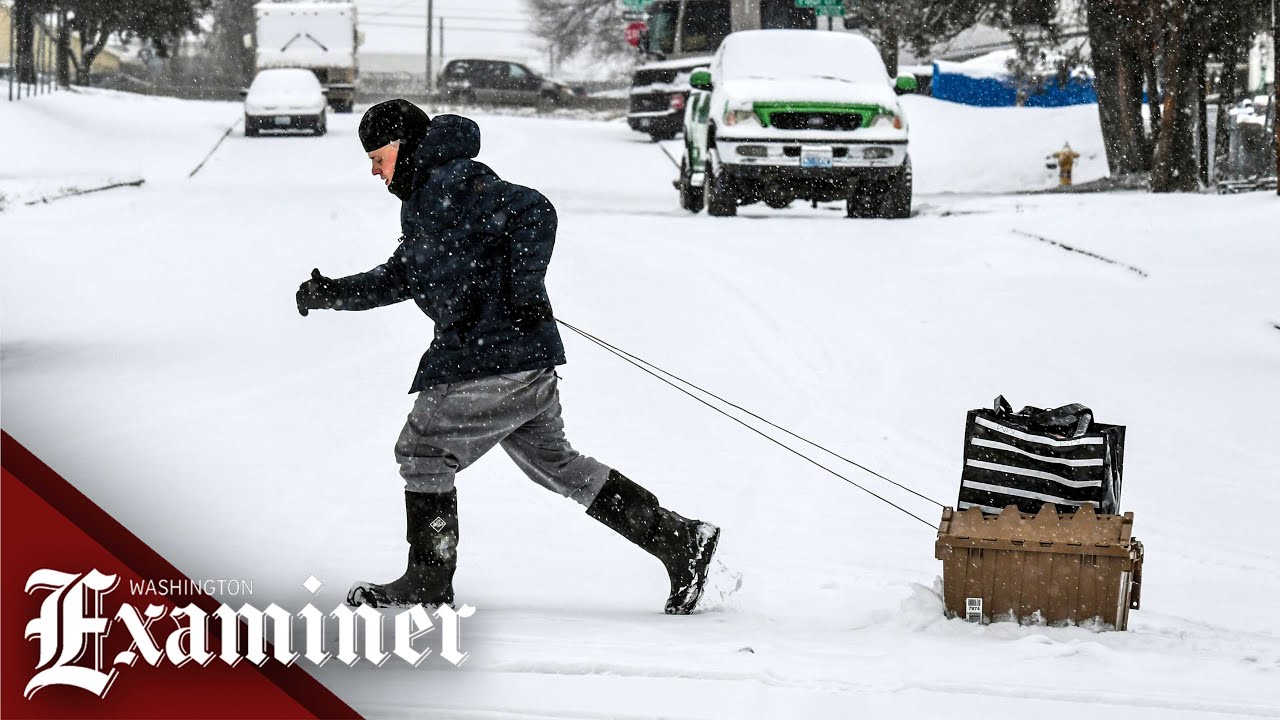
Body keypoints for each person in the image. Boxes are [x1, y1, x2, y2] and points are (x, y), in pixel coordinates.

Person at [295, 100, 721, 615]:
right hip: (520, 358)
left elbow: (535, 210)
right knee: (558, 465)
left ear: (402, 146)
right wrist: (335, 293)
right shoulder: (428, 197)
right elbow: (403, 275)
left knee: (423, 452)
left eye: (377, 158)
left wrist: (524, 286)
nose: (374, 171)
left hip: (490, 356)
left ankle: (429, 577)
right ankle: (678, 539)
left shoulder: (452, 182)